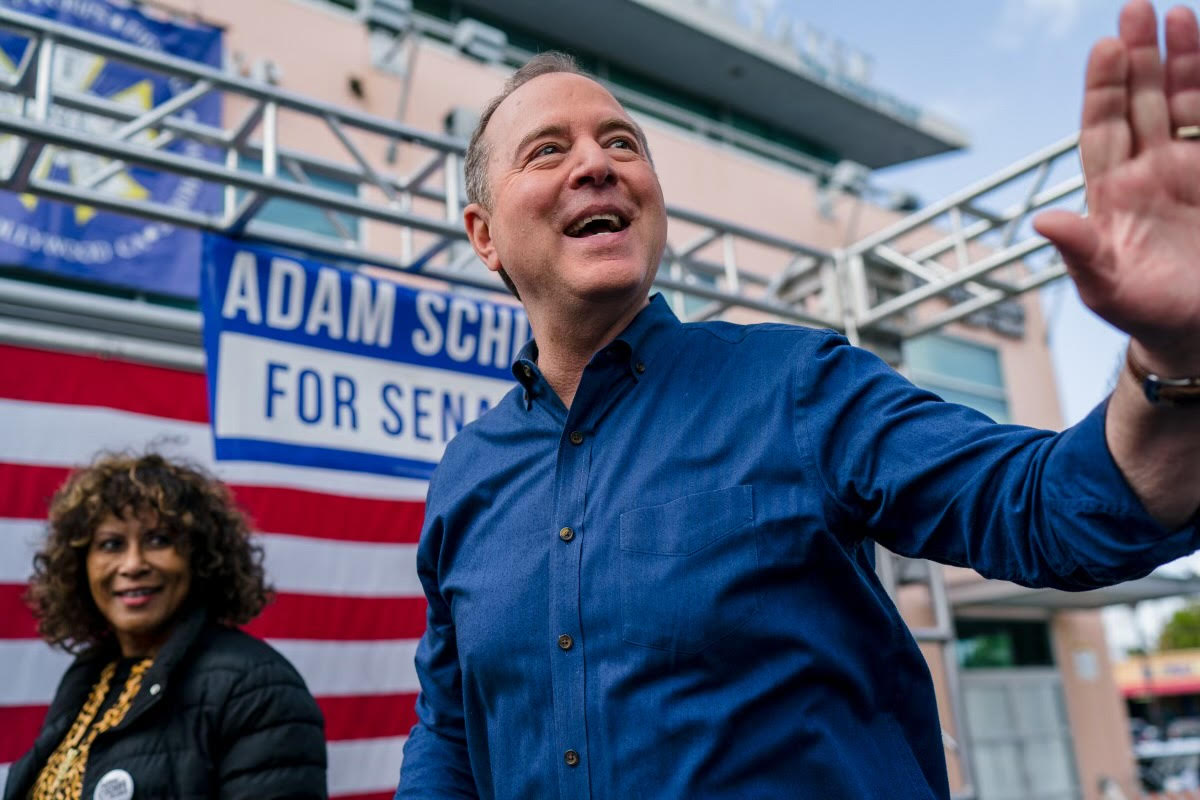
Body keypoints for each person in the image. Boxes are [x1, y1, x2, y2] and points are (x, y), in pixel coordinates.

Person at [396, 1, 1200, 797]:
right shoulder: (466, 478)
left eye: (622, 143)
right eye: (547, 150)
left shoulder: (799, 387)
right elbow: (451, 734)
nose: (598, 163)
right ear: (484, 234)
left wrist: (1175, 357)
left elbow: (1043, 509)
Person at [3, 453, 328, 800]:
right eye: (111, 544)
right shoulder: (88, 678)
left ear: (200, 557)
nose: (133, 564)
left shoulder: (256, 688)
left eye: (159, 540)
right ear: (80, 565)